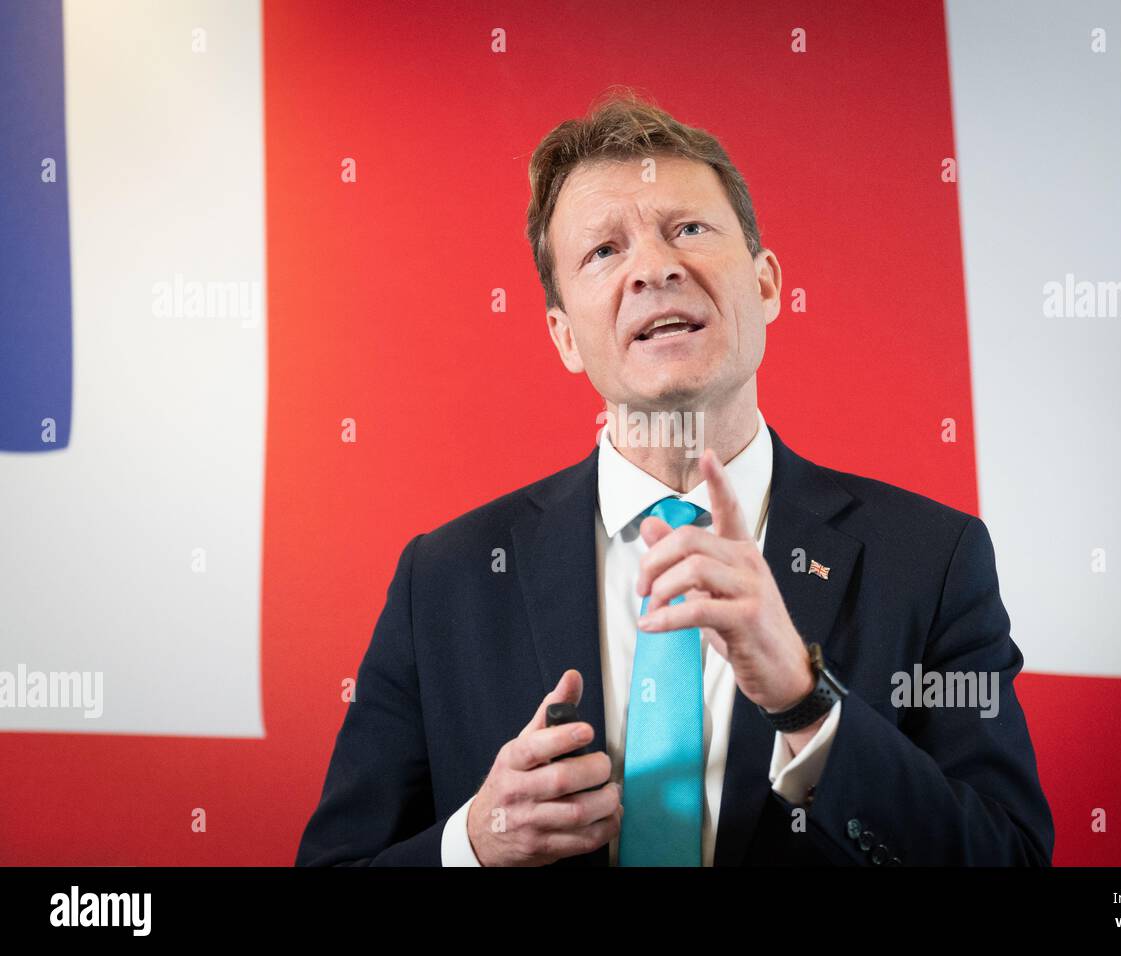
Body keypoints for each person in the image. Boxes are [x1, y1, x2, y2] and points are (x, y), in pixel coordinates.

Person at [295, 90, 1054, 867]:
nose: (654, 269)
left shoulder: (931, 559)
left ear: (765, 284)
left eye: (688, 229)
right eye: (603, 251)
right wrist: (474, 844)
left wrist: (808, 703)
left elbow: (1009, 858)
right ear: (563, 335)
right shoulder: (444, 581)